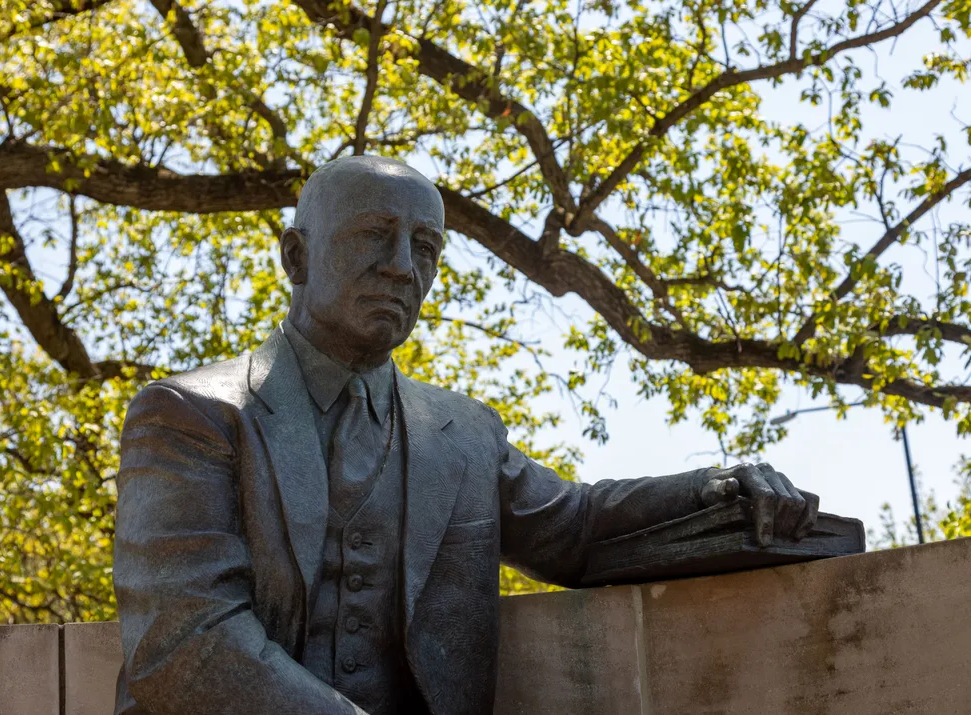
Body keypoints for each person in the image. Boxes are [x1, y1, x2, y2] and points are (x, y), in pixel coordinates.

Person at [112, 156, 819, 715]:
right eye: (372, 235)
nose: (402, 265)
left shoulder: (463, 434)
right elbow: (185, 641)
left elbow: (575, 528)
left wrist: (719, 490)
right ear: (295, 256)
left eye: (425, 246)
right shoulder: (190, 413)